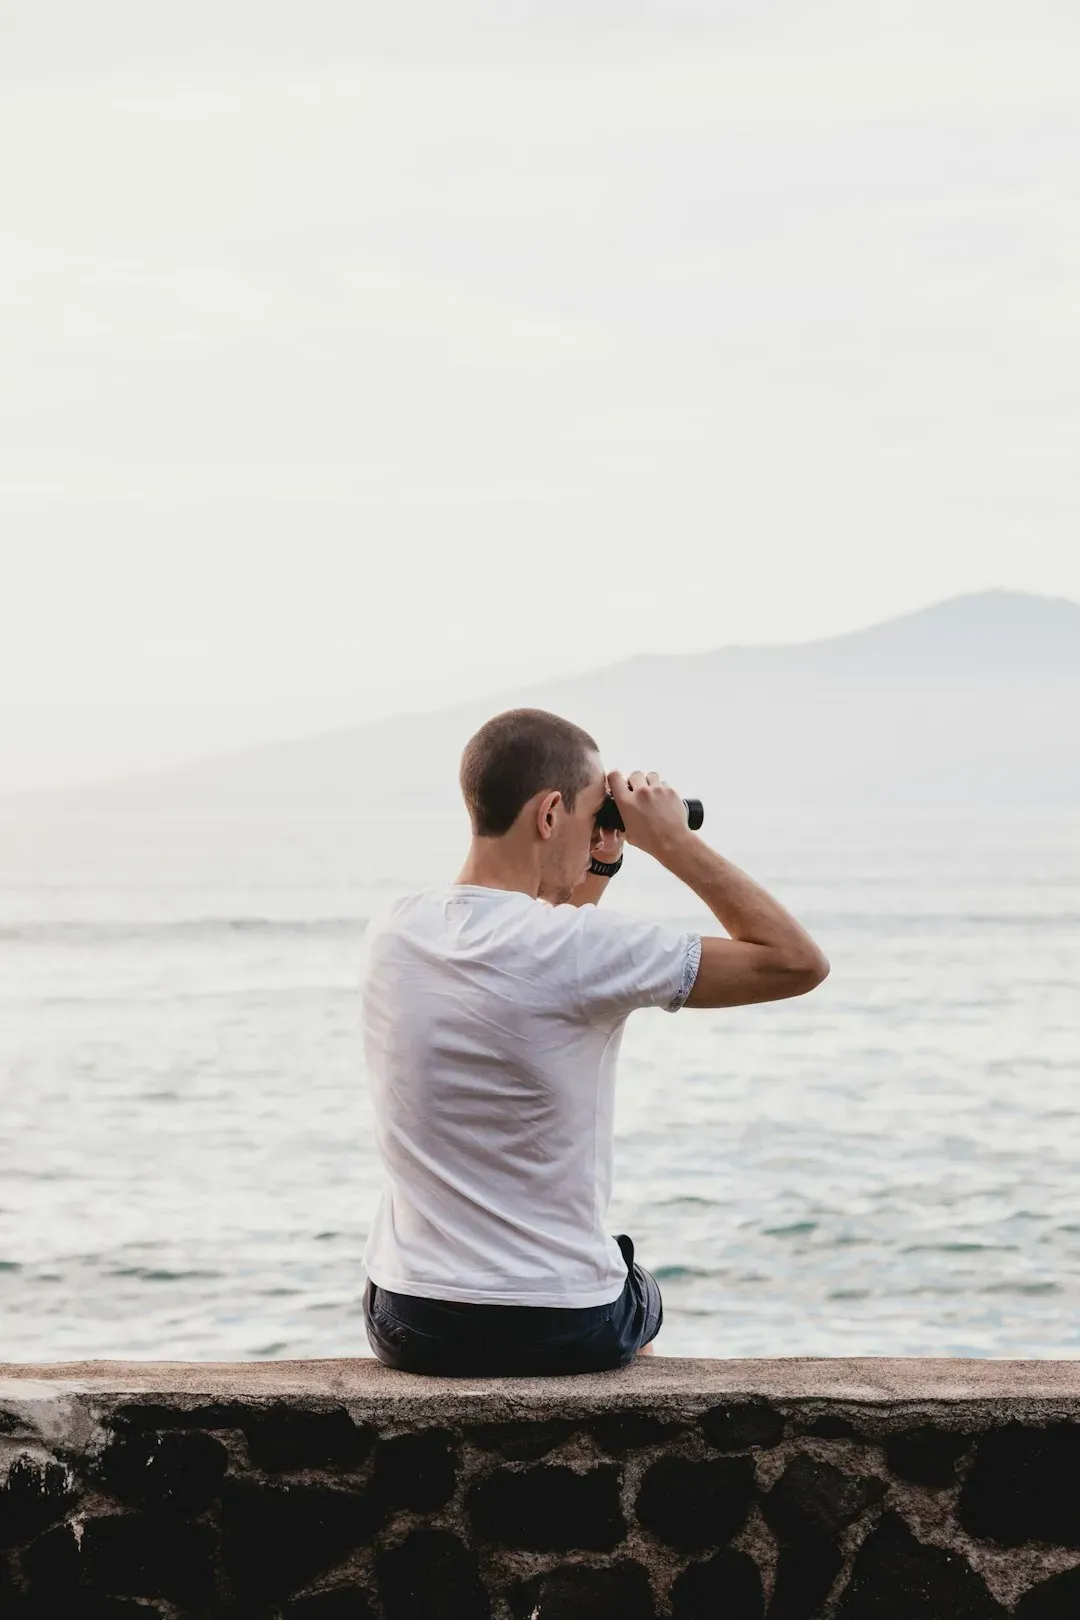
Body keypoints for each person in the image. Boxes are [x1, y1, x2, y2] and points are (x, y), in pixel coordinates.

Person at [360, 707, 829, 1376]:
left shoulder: (395, 929)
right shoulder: (584, 950)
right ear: (550, 815)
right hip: (558, 1320)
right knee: (635, 1286)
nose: (597, 835)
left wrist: (596, 871)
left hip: (408, 1317)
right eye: (591, 817)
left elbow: (536, 971)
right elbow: (796, 963)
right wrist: (669, 842)